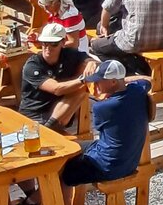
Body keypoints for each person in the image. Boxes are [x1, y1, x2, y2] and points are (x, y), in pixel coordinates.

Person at [59, 61, 155, 190]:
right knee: (73, 147)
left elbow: (98, 126)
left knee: (62, 169)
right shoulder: (137, 91)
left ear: (113, 82)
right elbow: (148, 79)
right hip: (129, 162)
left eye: (99, 80)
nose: (96, 83)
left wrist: (114, 86)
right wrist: (122, 80)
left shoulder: (102, 107)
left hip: (106, 167)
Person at [20, 23, 92, 134]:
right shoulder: (32, 65)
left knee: (81, 90)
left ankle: (50, 130)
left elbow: (89, 60)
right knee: (80, 86)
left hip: (57, 114)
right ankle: (50, 130)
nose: (48, 47)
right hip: (34, 115)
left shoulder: (69, 55)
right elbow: (57, 89)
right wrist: (83, 80)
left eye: (53, 44)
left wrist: (91, 62)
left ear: (63, 43)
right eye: (45, 43)